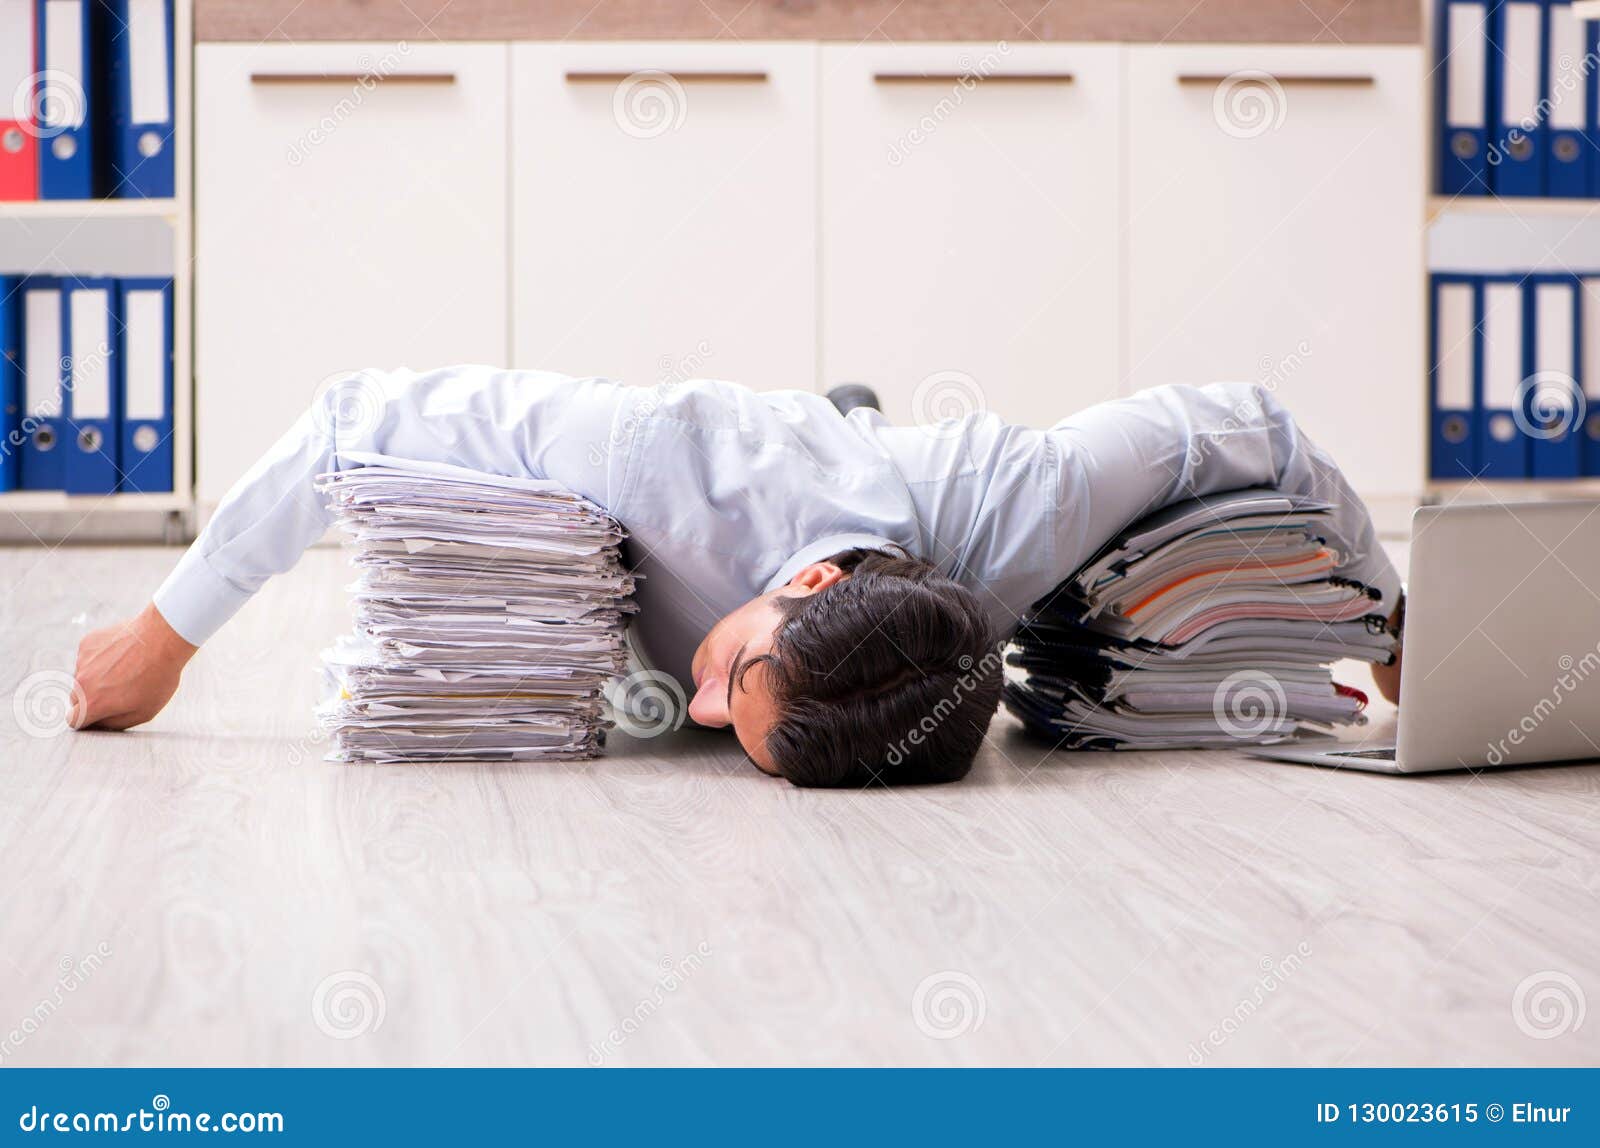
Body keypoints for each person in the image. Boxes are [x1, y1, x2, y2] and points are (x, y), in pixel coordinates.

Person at [70, 369, 1404, 786]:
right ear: (808, 579)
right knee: (834, 412)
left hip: (871, 483)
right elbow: (349, 416)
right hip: (767, 458)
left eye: (734, 731)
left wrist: (1371, 618)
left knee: (851, 418)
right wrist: (163, 635)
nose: (696, 710)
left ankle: (848, 407)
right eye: (734, 676)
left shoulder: (1002, 557)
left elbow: (1254, 435)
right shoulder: (643, 461)